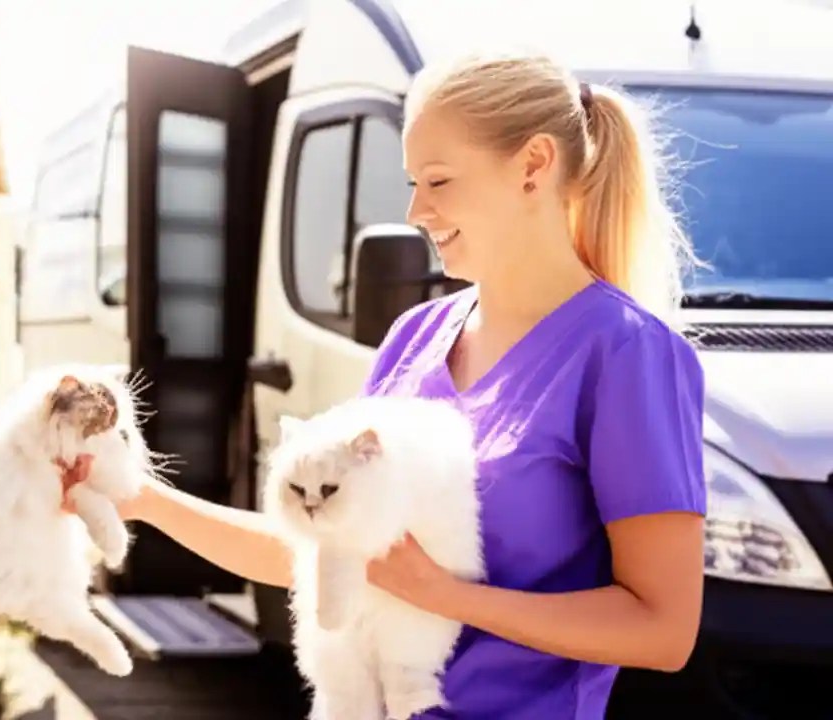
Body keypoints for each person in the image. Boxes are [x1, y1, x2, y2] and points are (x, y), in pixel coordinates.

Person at [70, 50, 708, 718]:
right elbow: (323, 550)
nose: (415, 210)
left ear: (534, 166)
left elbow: (662, 631)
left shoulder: (629, 354)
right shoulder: (415, 338)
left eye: (437, 181)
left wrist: (444, 595)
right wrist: (139, 498)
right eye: (412, 183)